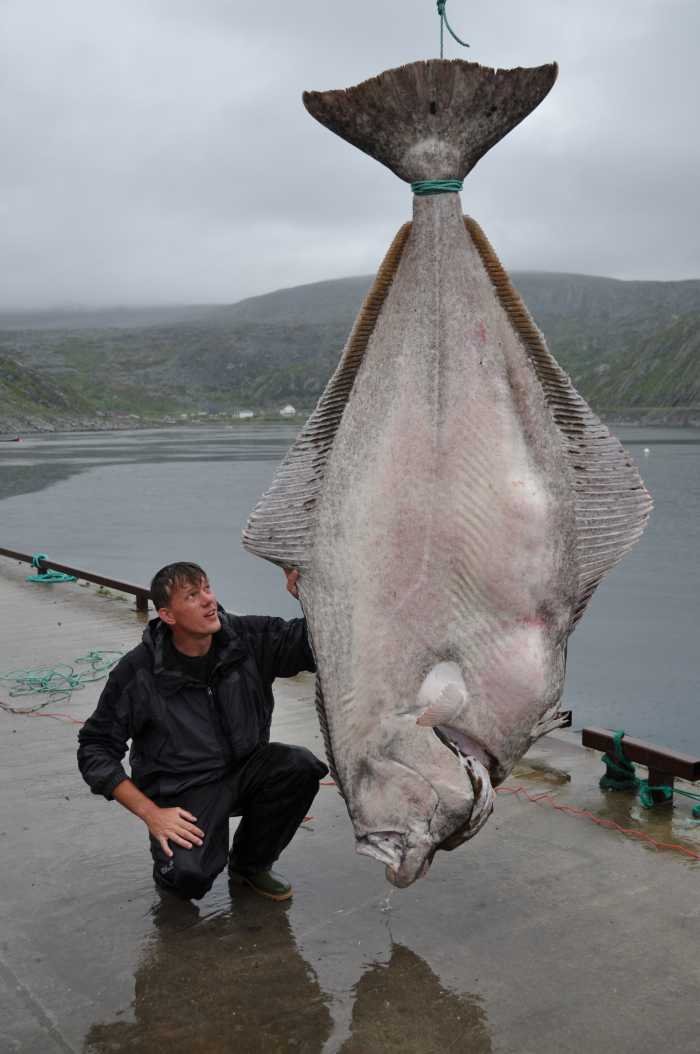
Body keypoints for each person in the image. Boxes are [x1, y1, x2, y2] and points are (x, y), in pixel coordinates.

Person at [77, 561, 328, 902]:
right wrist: (152, 814)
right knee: (187, 879)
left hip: (245, 770)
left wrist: (313, 595)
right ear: (167, 615)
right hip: (184, 789)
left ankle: (250, 867)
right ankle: (172, 868)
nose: (209, 600)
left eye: (207, 588)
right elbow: (95, 747)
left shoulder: (246, 639)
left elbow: (315, 643)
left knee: (298, 766)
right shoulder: (139, 672)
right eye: (193, 595)